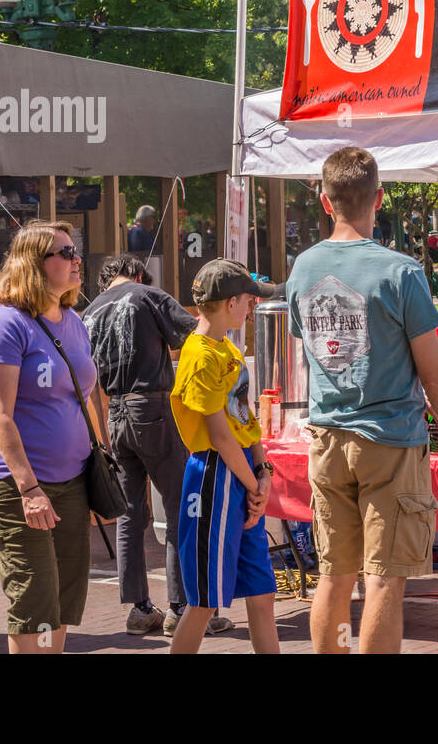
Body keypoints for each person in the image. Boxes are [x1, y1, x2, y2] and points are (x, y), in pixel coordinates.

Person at [286, 146, 438, 654]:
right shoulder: (401, 271)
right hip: (389, 441)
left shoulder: (302, 269)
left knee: (334, 575)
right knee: (385, 579)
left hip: (327, 438)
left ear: (326, 202)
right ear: (380, 198)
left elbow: (309, 346)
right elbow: (433, 374)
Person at [83, 254, 235, 637]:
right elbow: (198, 336)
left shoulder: (89, 312)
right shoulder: (148, 294)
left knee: (130, 513)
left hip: (113, 412)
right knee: (181, 507)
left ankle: (139, 609)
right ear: (137, 273)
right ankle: (181, 606)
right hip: (152, 407)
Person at [0, 220, 95, 654]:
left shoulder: (74, 320)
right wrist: (29, 488)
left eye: (75, 250)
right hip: (17, 485)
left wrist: (100, 461)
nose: (76, 259)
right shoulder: (6, 324)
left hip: (71, 481)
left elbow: (84, 396)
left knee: (63, 594)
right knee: (35, 596)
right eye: (65, 253)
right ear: (33, 263)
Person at [167, 259, 280, 654]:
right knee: (204, 601)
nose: (252, 309)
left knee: (262, 592)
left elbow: (244, 420)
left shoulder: (226, 346)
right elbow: (219, 435)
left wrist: (262, 471)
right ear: (231, 303)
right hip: (216, 476)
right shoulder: (199, 355)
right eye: (250, 301)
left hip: (243, 473)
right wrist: (255, 485)